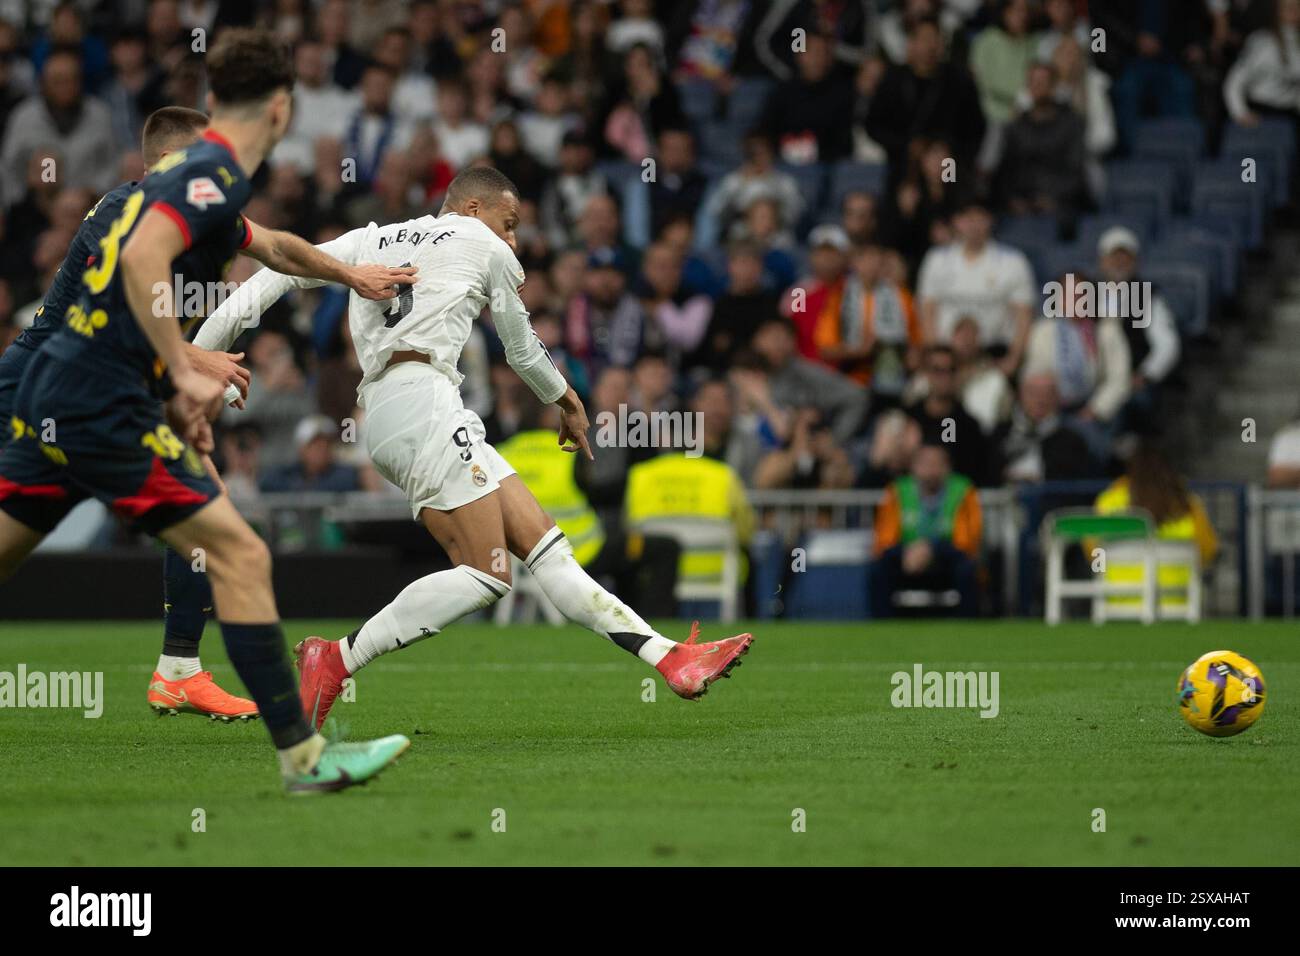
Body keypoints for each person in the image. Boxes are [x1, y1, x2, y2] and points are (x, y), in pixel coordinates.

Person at [0, 31, 416, 793]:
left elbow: (279, 248)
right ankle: (301, 759)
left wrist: (350, 273)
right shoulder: (213, 170)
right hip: (93, 396)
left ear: (220, 99)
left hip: (62, 389)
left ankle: (195, 678)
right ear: (283, 108)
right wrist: (184, 373)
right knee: (242, 554)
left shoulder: (198, 185)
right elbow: (141, 262)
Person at [197, 166, 755, 729]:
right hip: (424, 403)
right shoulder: (483, 245)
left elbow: (272, 277)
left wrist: (200, 358)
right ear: (471, 209)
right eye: (508, 223)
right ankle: (337, 657)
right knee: (487, 574)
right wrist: (567, 400)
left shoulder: (368, 238)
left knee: (548, 552)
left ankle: (669, 658)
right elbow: (522, 349)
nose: (511, 239)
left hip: (400, 407)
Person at [1093, 443, 1218, 617]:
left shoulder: (1109, 500)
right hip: (1176, 599)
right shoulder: (1187, 504)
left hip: (1118, 597)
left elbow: (1093, 553)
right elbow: (1207, 550)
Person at [869, 442, 981, 617]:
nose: (931, 470)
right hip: (907, 559)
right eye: (926, 464)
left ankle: (966, 624)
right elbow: (884, 538)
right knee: (878, 569)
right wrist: (907, 551)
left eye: (937, 464)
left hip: (947, 559)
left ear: (947, 468)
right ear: (913, 466)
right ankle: (882, 625)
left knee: (967, 569)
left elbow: (967, 540)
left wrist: (932, 549)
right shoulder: (898, 490)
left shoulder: (963, 490)